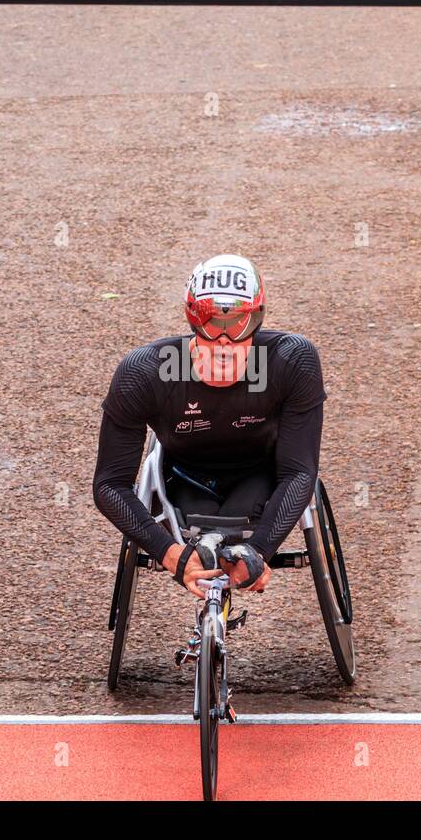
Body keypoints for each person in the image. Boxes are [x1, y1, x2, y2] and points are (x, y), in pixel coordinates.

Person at [92, 254, 326, 597]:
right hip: (184, 478)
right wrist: (171, 554)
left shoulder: (292, 361)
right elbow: (110, 484)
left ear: (257, 320)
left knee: (241, 542)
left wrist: (260, 552)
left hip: (260, 475)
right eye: (210, 323)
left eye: (239, 326)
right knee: (200, 550)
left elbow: (300, 472)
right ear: (192, 319)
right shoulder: (142, 373)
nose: (224, 341)